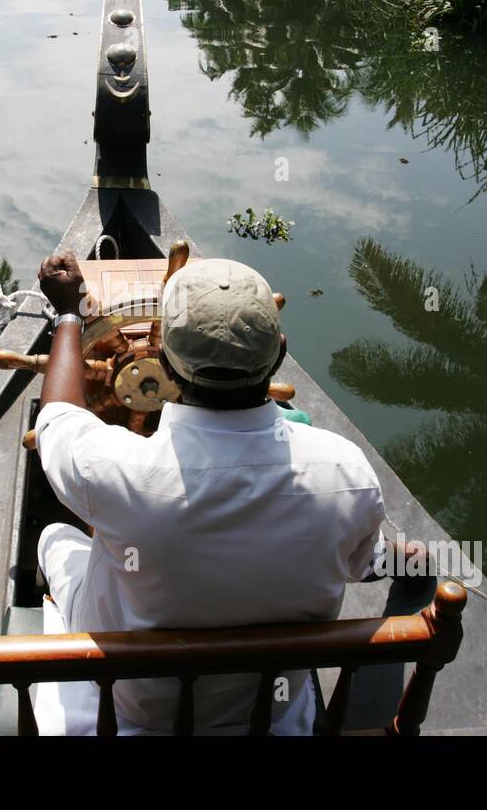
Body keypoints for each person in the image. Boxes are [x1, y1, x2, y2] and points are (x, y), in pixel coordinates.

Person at [31, 250, 412, 735]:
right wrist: (404, 559)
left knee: (56, 539)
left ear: (164, 360)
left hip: (134, 709)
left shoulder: (113, 468)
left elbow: (56, 418)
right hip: (268, 710)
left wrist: (67, 312)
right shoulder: (347, 474)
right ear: (279, 351)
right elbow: (365, 561)